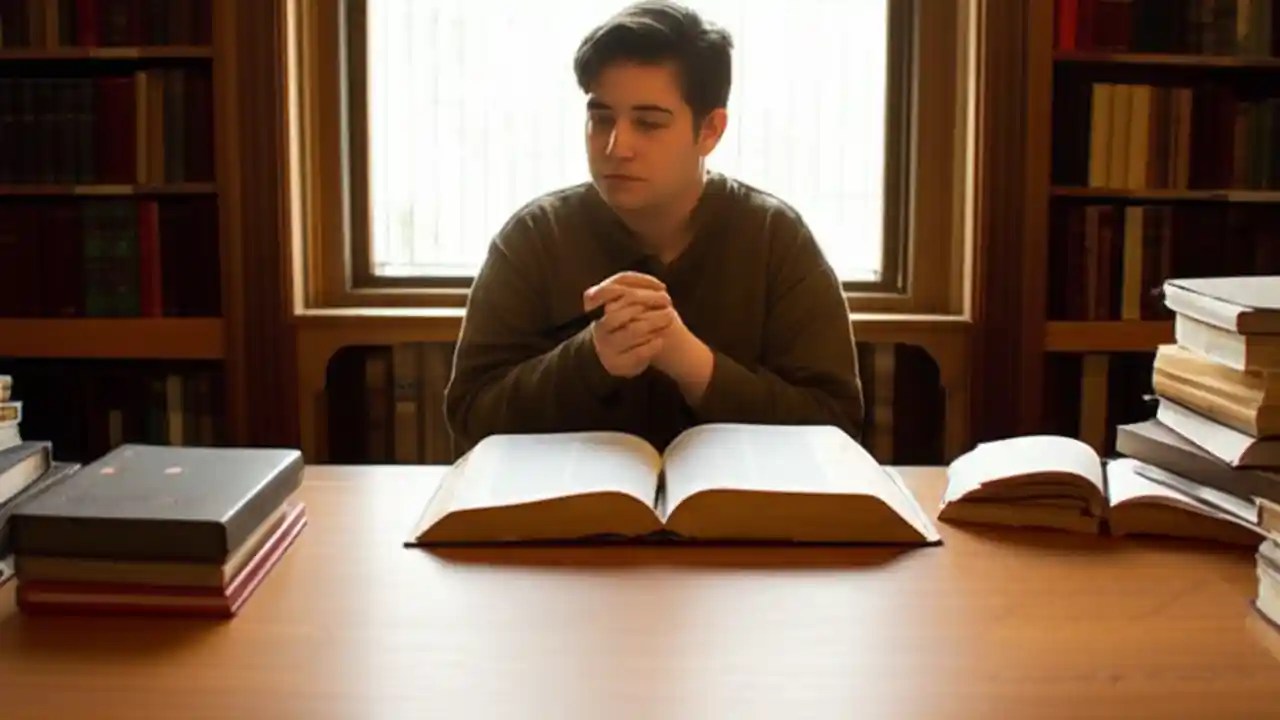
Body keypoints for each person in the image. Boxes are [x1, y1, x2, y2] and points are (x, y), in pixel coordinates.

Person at [444, 0, 863, 455]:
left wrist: (695, 366)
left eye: (648, 123)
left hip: (742, 523)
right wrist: (590, 359)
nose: (616, 145)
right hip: (561, 520)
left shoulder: (775, 237)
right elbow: (469, 416)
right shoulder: (534, 237)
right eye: (600, 117)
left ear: (711, 131)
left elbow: (837, 427)